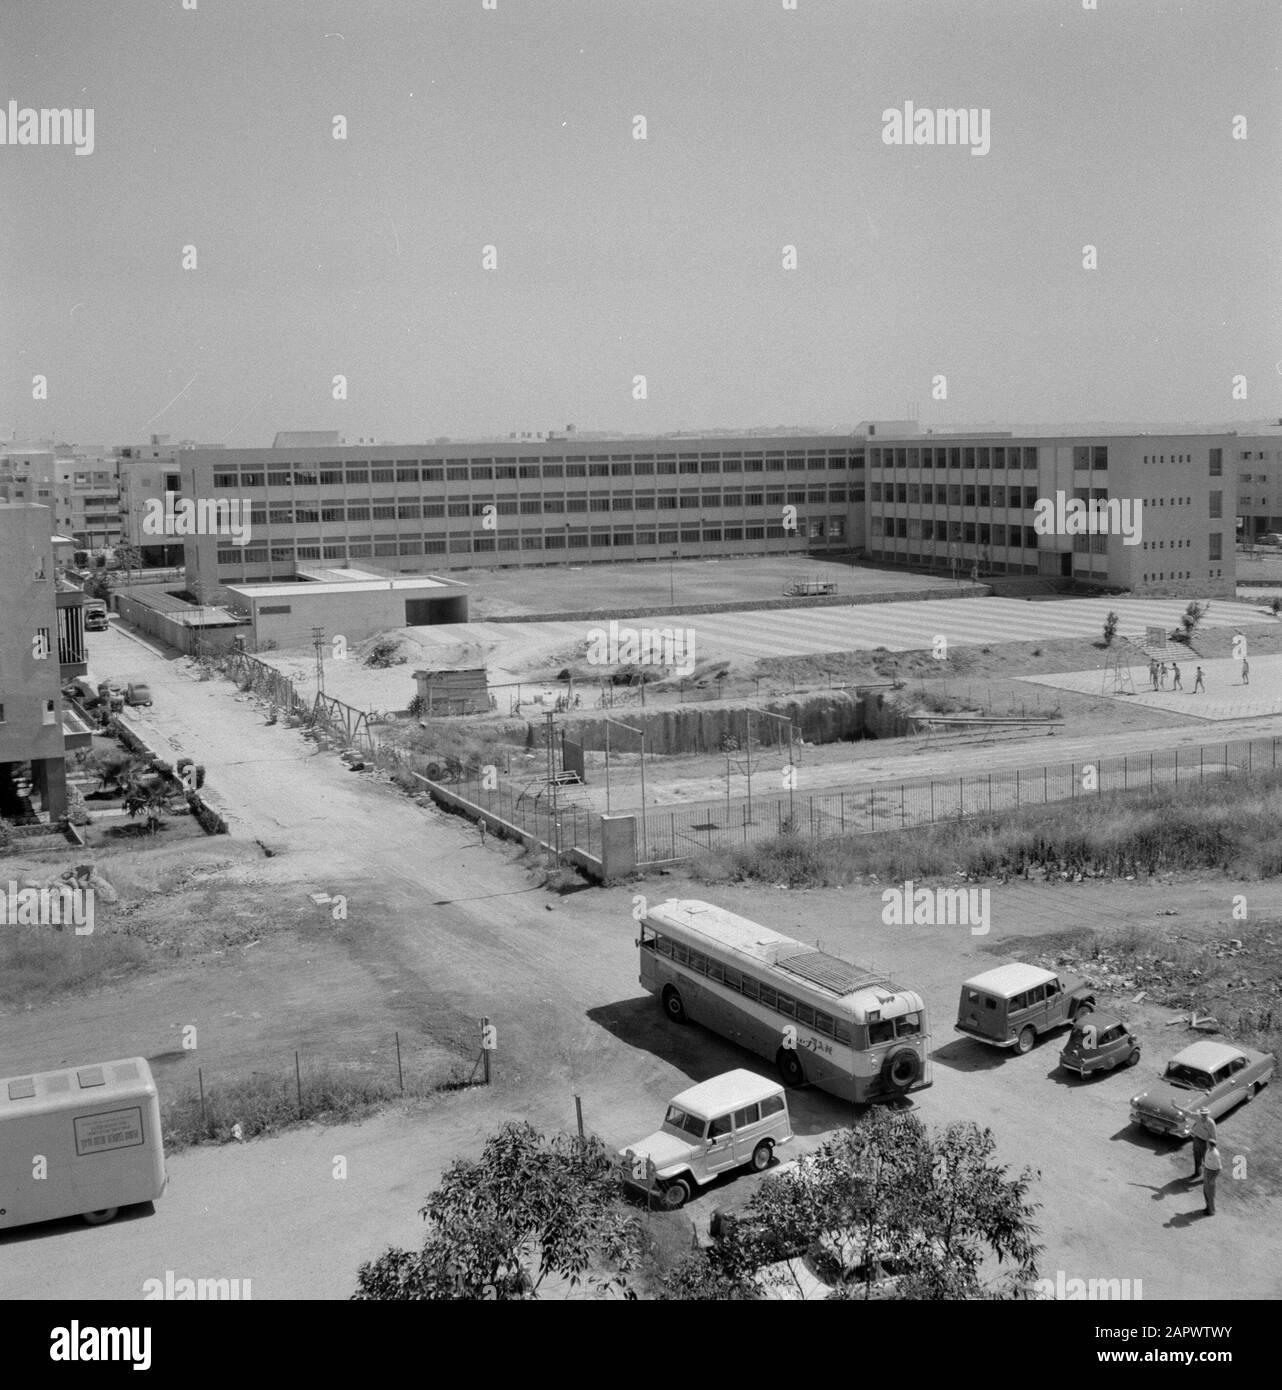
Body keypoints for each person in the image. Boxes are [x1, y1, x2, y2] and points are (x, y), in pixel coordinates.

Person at [1189, 1107, 1217, 1178]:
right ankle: (1197, 1173)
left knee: (1207, 1160)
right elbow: (1187, 1113)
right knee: (1196, 1157)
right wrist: (1175, 1106)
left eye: (1205, 1114)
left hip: (1205, 1143)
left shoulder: (1211, 1123)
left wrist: (1212, 1147)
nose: (1204, 1116)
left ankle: (1209, 1176)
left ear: (1207, 1114)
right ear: (1200, 1114)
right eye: (1202, 1114)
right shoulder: (1197, 1117)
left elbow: (1214, 1136)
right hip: (1196, 1139)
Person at [1202, 1138, 1222, 1216]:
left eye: (1207, 1143)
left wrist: (1213, 1179)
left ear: (1211, 1145)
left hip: (1211, 1173)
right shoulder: (1208, 1150)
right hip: (1206, 1170)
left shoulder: (1215, 1154)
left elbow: (1219, 1168)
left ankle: (1211, 1211)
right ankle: (1207, 1207)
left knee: (1210, 1193)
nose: (1206, 1144)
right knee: (1205, 1191)